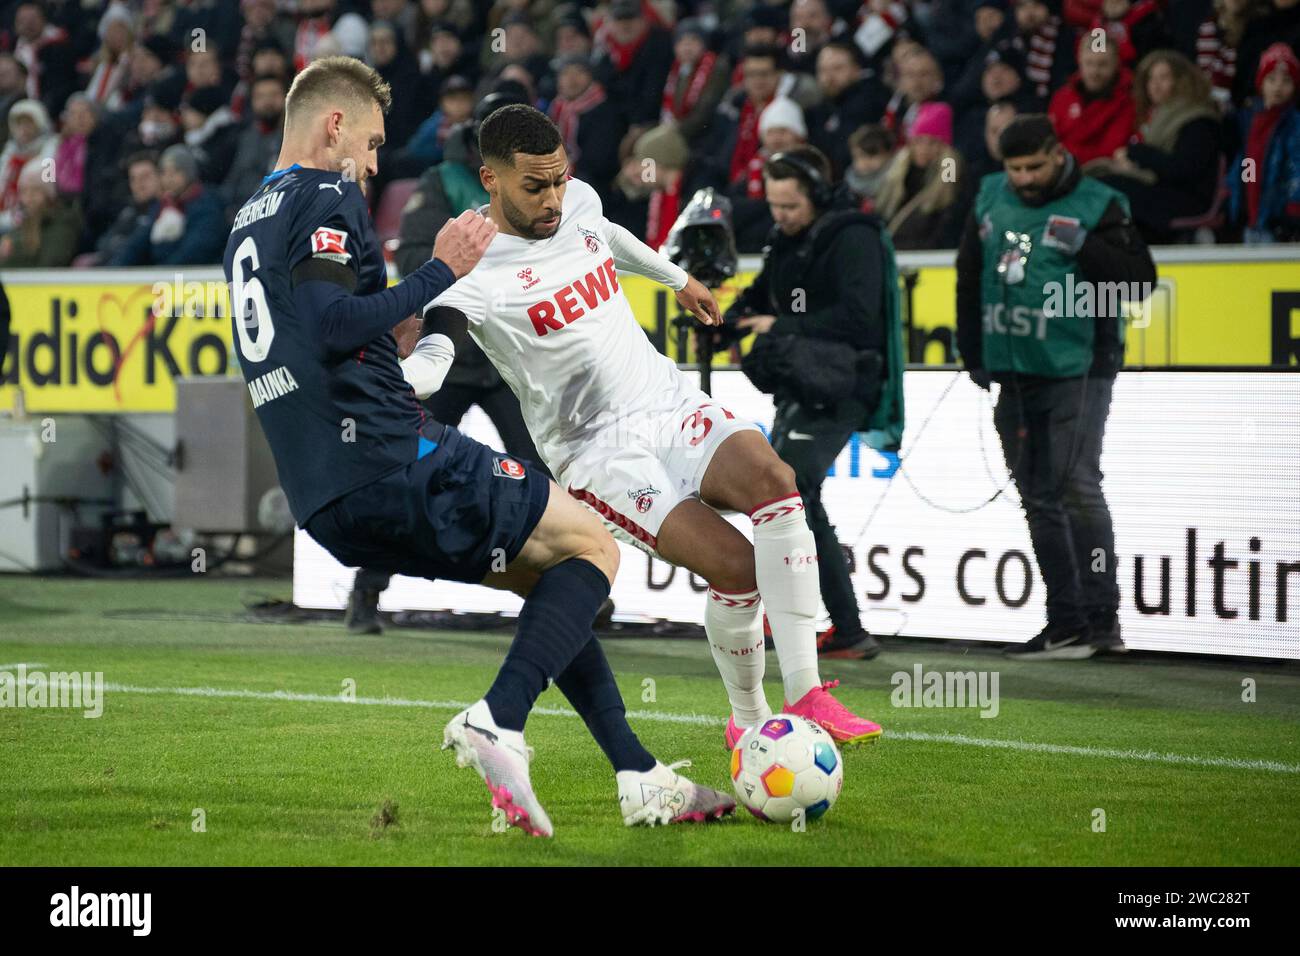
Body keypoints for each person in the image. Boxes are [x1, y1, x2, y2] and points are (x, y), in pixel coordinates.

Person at [225, 55, 731, 835]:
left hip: (324, 496)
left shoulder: (249, 217)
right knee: (594, 550)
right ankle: (497, 720)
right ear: (333, 125)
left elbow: (312, 337)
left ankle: (640, 775)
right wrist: (438, 272)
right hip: (389, 457)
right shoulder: (326, 190)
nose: (370, 163)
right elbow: (332, 326)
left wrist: (399, 340)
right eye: (368, 143)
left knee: (548, 575)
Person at [426, 104, 884, 748]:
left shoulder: (578, 200)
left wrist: (677, 278)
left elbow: (608, 236)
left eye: (559, 179)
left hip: (664, 399)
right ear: (490, 180)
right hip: (597, 452)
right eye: (535, 187)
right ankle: (750, 724)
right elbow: (435, 346)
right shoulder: (469, 265)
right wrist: (401, 382)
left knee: (777, 481)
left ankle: (806, 694)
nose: (554, 198)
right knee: (737, 569)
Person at [955, 114, 1157, 659]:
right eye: (1014, 168)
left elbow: (1140, 283)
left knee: (1076, 488)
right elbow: (969, 275)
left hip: (1080, 369)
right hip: (1013, 374)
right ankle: (1066, 624)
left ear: (1057, 152)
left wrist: (1084, 244)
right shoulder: (988, 196)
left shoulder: (1098, 203)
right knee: (1038, 498)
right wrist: (972, 352)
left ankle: (1102, 623)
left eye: (1034, 166)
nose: (1024, 178)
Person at [720, 145, 904, 661]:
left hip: (842, 385)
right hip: (804, 382)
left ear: (818, 196)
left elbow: (858, 317)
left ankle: (833, 625)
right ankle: (837, 627)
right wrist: (723, 319)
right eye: (775, 207)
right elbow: (760, 296)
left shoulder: (854, 237)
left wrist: (781, 325)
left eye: (790, 207)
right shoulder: (786, 239)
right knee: (788, 496)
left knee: (790, 490)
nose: (780, 217)